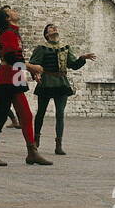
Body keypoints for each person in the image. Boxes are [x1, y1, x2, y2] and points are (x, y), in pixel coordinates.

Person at [0, 6, 50, 167]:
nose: (14, 11)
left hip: (17, 77)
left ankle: (32, 152)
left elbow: (17, 57)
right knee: (0, 117)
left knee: (26, 115)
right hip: (6, 79)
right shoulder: (7, 34)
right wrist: (32, 67)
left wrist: (31, 72)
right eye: (10, 10)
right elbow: (12, 58)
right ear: (7, 18)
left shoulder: (14, 33)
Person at [30, 23, 94, 156]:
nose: (54, 29)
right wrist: (35, 74)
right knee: (41, 112)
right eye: (50, 28)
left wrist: (82, 58)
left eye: (55, 27)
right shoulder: (41, 48)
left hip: (61, 83)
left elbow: (73, 65)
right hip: (46, 82)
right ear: (46, 34)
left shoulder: (65, 48)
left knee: (60, 113)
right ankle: (36, 140)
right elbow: (33, 64)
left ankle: (58, 144)